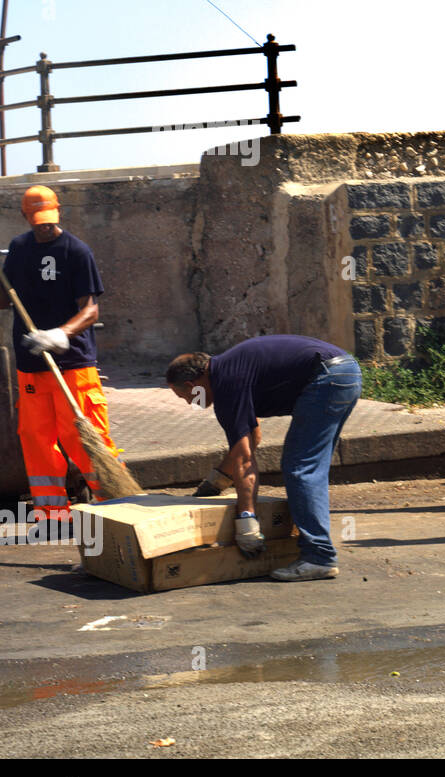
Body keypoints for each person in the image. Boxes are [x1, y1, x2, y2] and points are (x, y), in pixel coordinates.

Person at [165, 335, 361, 582]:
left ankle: (319, 557)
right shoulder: (227, 370)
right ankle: (318, 552)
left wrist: (246, 520)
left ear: (194, 385)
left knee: (301, 467)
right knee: (311, 467)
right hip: (345, 372)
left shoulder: (226, 384)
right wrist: (217, 482)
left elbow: (245, 460)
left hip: (327, 378)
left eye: (185, 397)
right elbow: (252, 438)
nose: (189, 403)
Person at [0, 185, 119, 524]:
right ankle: (52, 512)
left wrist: (61, 333)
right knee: (36, 439)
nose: (45, 227)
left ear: (59, 212)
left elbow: (91, 311)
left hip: (72, 363)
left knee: (83, 436)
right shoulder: (20, 250)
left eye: (49, 220)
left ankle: (116, 503)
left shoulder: (76, 251)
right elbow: (5, 300)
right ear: (25, 217)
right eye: (38, 221)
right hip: (31, 365)